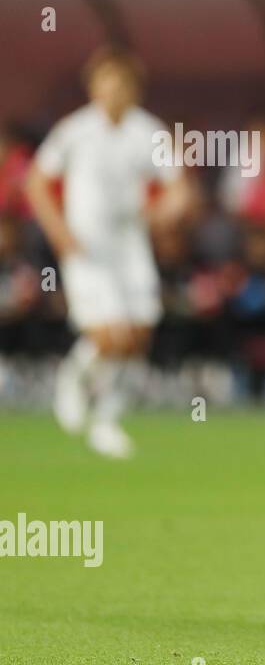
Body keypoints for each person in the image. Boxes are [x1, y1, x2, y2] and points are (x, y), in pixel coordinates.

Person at [24, 47, 192, 457]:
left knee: (138, 336)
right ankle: (72, 377)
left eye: (123, 84)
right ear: (94, 86)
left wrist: (168, 211)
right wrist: (59, 231)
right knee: (109, 337)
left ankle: (107, 419)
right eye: (107, 83)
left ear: (135, 89)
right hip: (87, 247)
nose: (115, 92)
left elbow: (178, 187)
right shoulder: (74, 131)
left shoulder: (148, 131)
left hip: (130, 246)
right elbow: (36, 183)